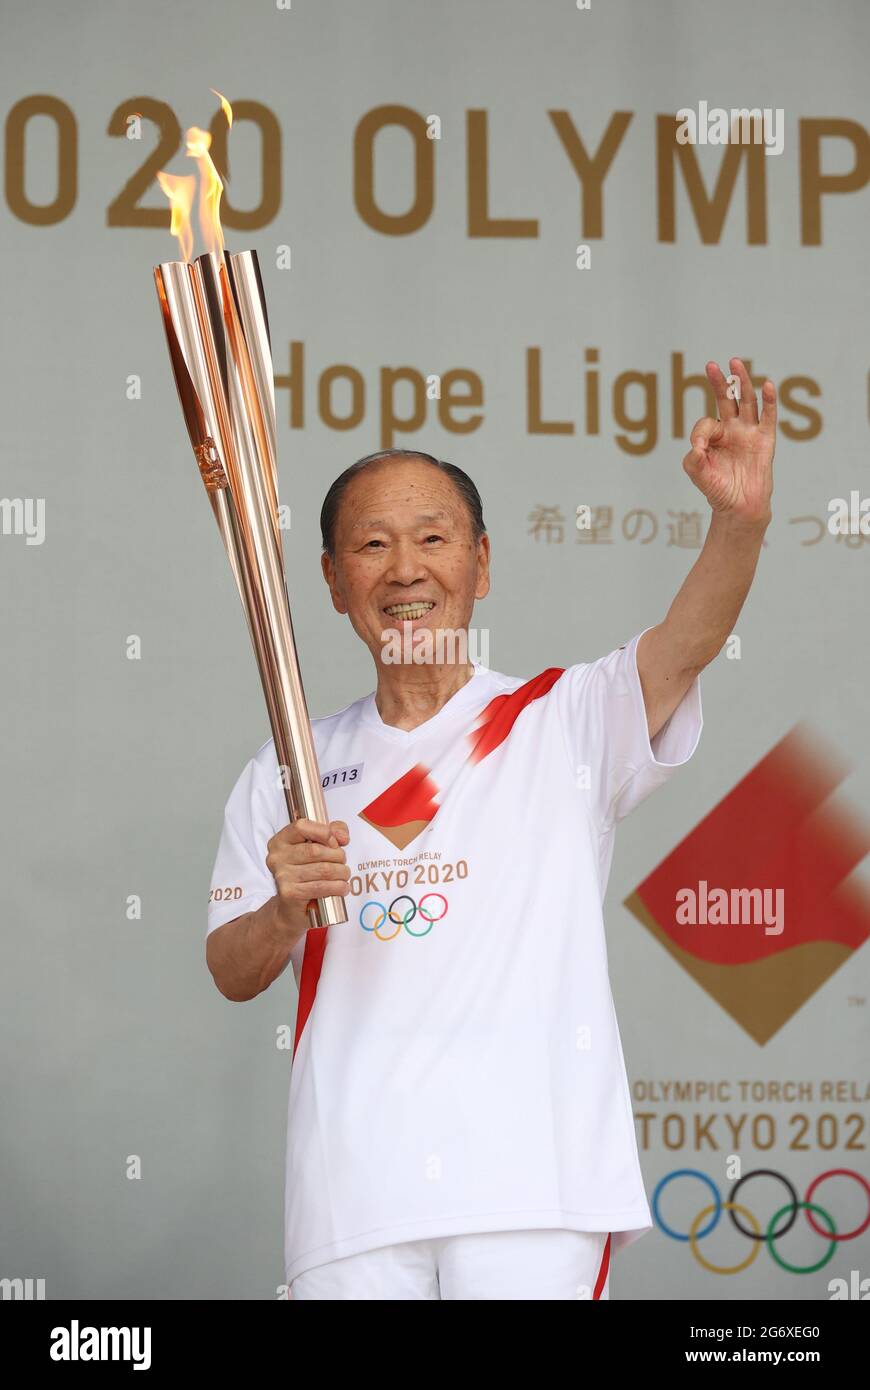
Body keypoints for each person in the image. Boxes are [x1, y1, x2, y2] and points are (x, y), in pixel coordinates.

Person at [205, 357, 777, 1300]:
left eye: (433, 537)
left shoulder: (562, 719)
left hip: (533, 1188)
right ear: (331, 580)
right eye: (372, 545)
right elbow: (233, 968)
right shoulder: (289, 767)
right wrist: (282, 911)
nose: (405, 570)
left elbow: (688, 642)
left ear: (482, 561)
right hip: (353, 1200)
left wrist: (740, 522)